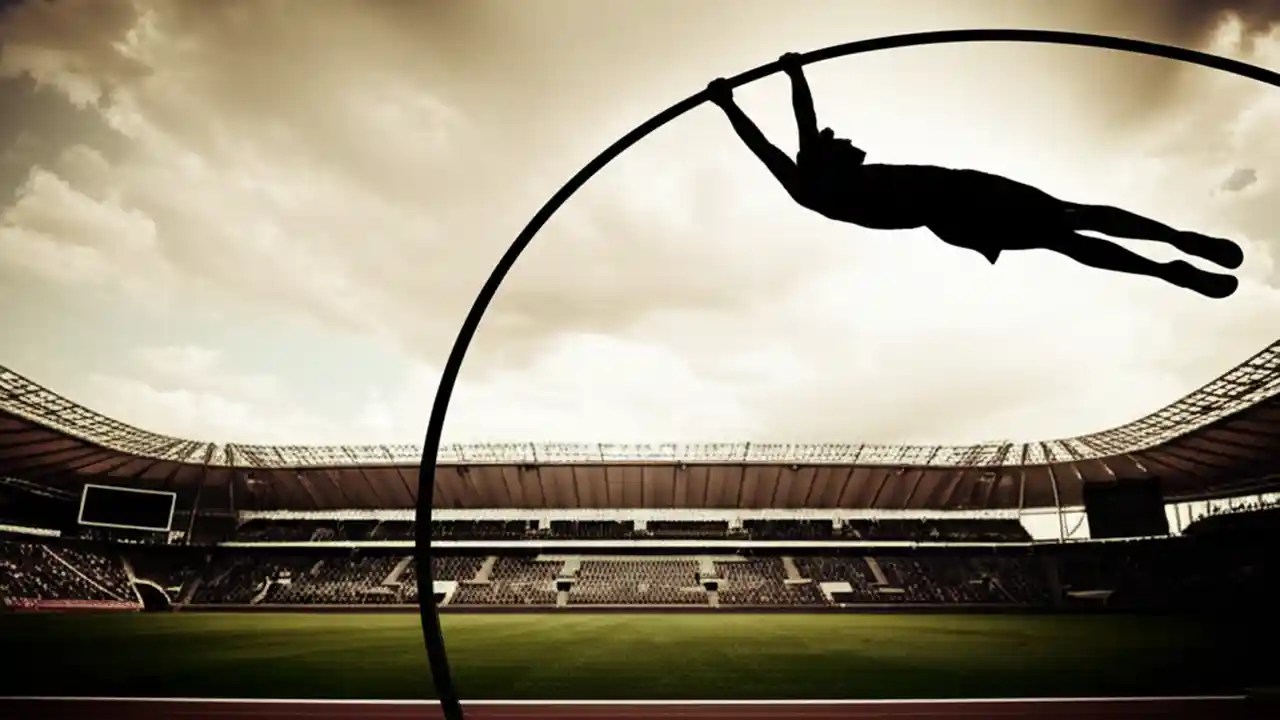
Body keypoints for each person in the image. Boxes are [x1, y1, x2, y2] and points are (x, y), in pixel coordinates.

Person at [705, 53, 1242, 299]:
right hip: (955, 203)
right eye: (838, 143)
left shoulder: (816, 176)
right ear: (826, 155)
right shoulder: (811, 182)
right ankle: (1172, 256)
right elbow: (772, 140)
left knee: (1065, 230)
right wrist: (733, 102)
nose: (847, 142)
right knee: (1067, 224)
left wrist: (791, 75)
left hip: (959, 200)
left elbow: (799, 120)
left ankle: (1174, 257)